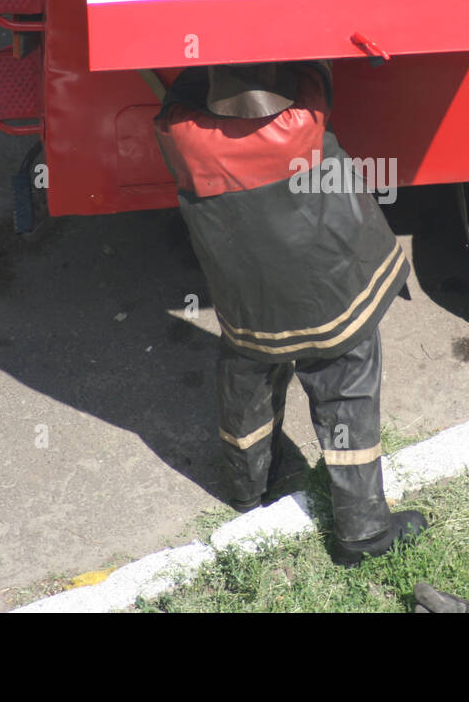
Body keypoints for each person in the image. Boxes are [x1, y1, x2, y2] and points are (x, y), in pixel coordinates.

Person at [152, 59, 427, 566]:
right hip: (334, 298)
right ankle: (362, 534)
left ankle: (248, 492)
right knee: (348, 401)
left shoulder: (180, 134)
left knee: (247, 385)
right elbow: (317, 70)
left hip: (251, 305)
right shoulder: (307, 115)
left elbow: (178, 94)